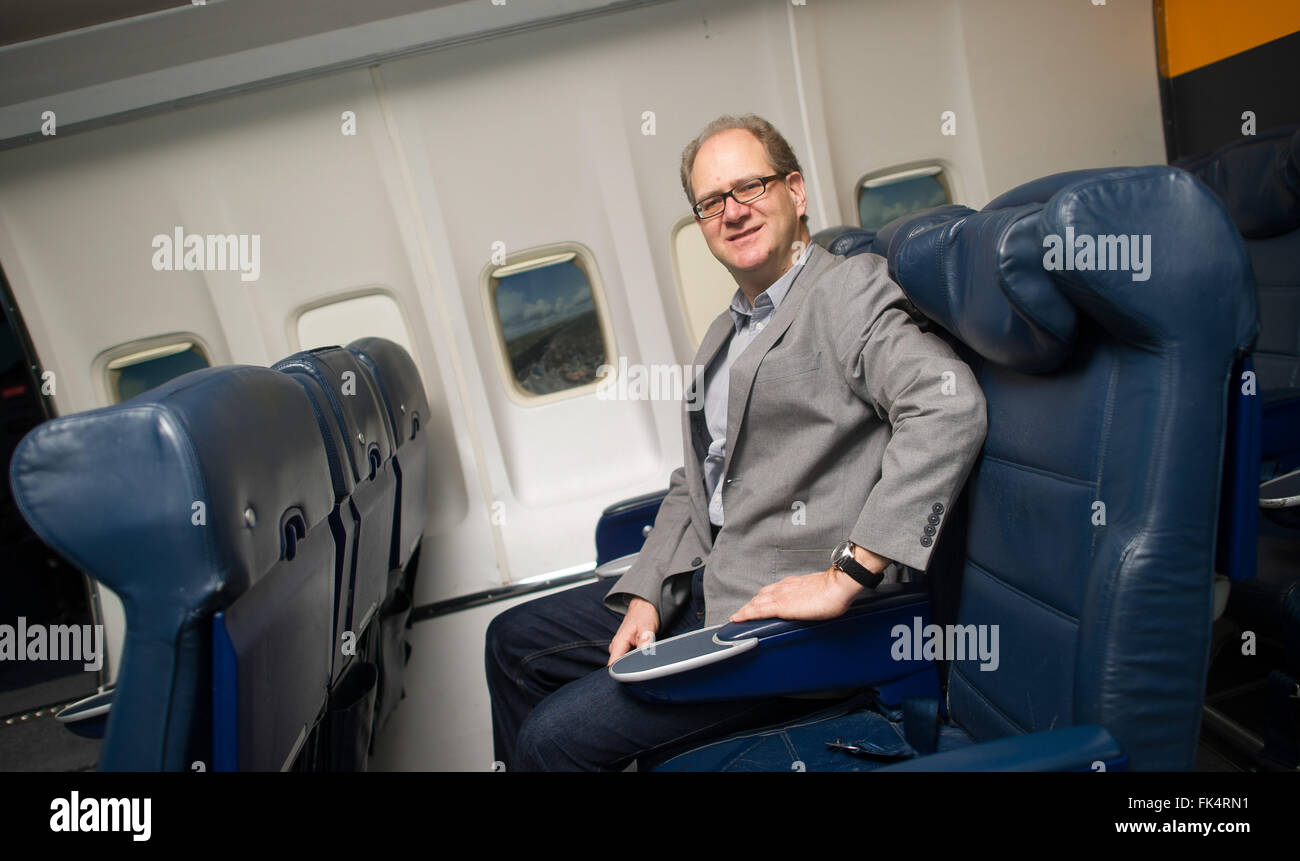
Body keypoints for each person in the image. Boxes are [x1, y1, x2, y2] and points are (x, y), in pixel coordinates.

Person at [484, 114, 987, 771]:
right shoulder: (727, 330)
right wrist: (647, 590)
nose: (733, 212)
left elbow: (949, 405)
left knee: (553, 739)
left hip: (782, 629)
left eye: (750, 187)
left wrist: (850, 571)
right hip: (704, 583)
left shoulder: (848, 291)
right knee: (511, 641)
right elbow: (694, 483)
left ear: (796, 192)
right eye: (712, 201)